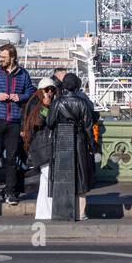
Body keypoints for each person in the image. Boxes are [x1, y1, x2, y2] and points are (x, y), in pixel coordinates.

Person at [0, 43, 34, 206]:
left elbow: (30, 92)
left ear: (12, 57)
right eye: (0, 57)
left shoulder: (23, 74)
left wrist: (21, 97)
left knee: (12, 159)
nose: (1, 59)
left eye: (3, 57)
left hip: (14, 121)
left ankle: (10, 193)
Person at [45, 72, 96, 220]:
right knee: (80, 174)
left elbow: (50, 122)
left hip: (61, 140)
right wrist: (92, 145)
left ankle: (61, 209)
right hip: (78, 139)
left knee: (61, 173)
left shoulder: (57, 103)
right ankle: (80, 212)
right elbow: (88, 127)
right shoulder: (82, 103)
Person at [22, 79, 57, 220]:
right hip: (42, 146)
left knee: (45, 180)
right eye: (47, 89)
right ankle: (46, 212)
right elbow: (38, 122)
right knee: (48, 178)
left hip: (41, 145)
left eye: (53, 90)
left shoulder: (33, 102)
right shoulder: (38, 104)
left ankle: (43, 212)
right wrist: (46, 106)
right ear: (41, 89)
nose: (50, 92)